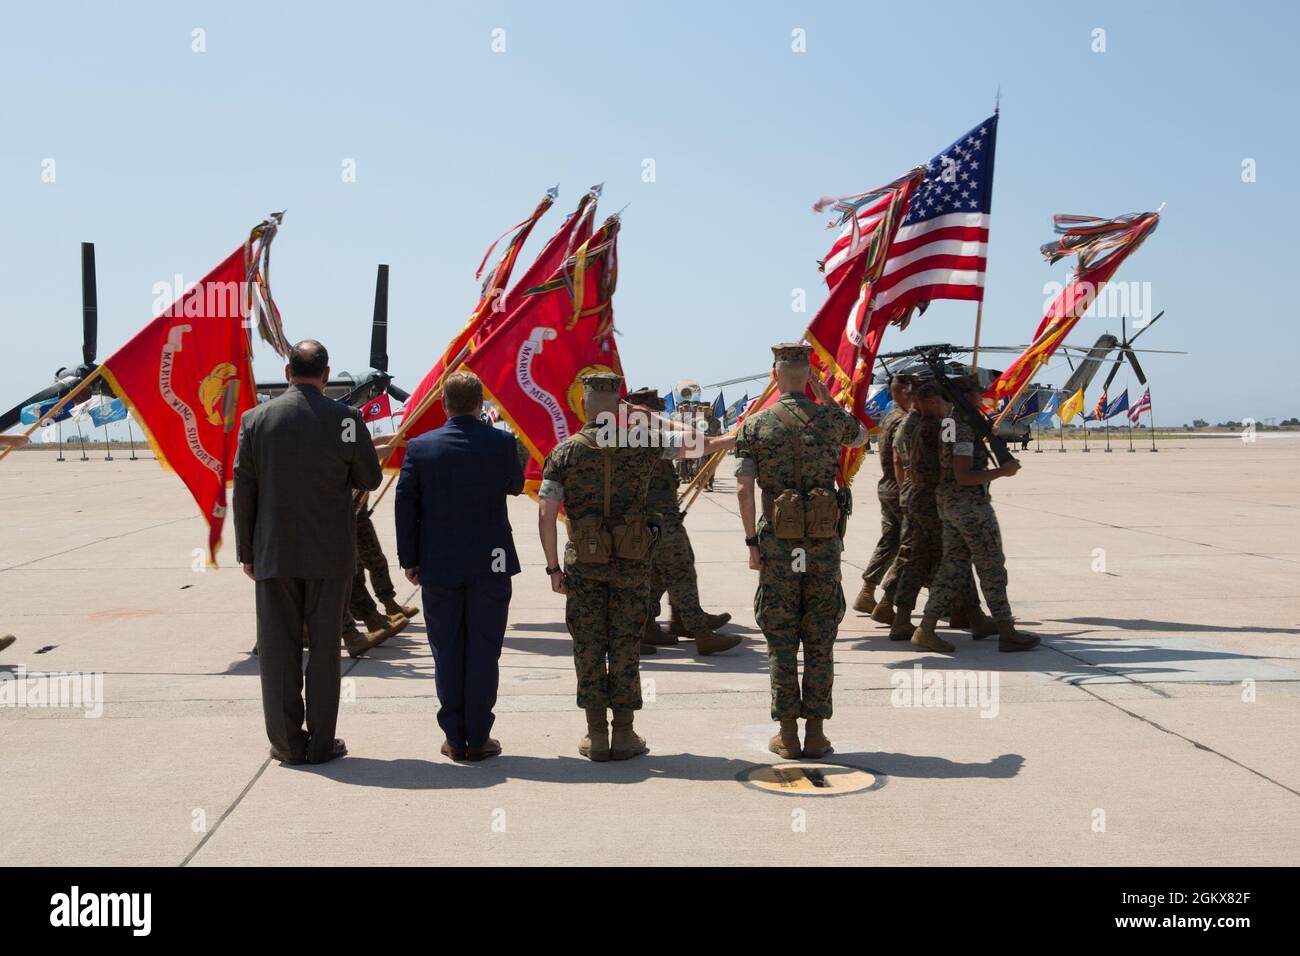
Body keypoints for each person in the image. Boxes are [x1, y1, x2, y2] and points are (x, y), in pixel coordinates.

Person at [538, 372, 732, 762]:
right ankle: (624, 734)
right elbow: (700, 444)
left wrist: (553, 568)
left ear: (585, 404)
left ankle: (596, 735)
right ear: (620, 406)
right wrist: (737, 434)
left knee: (590, 646)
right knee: (626, 645)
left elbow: (546, 514)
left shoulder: (565, 453)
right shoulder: (644, 444)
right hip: (631, 563)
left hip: (585, 566)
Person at [234, 340, 382, 765]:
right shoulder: (347, 420)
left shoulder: (255, 419)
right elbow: (370, 478)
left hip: (273, 553)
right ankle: (321, 743)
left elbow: (244, 489)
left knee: (278, 649)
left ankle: (286, 743)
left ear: (286, 373)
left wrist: (248, 552)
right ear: (326, 373)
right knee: (323, 651)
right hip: (330, 555)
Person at [734, 344, 867, 760]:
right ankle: (816, 733)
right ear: (809, 376)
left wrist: (753, 545)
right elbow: (862, 435)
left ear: (775, 376)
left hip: (778, 544)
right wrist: (826, 399)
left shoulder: (755, 426)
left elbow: (743, 488)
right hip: (823, 545)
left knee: (781, 637)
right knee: (820, 636)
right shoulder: (831, 421)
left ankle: (787, 733)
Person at [395, 371, 524, 762]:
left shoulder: (420, 448)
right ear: (480, 403)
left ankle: (455, 737)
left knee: (447, 650)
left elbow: (406, 506)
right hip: (491, 562)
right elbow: (516, 485)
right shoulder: (501, 442)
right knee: (484, 650)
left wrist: (410, 559)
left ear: (444, 404)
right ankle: (479, 735)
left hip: (439, 564)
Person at [911, 376, 1040, 653]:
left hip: (949, 504)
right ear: (964, 396)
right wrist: (1002, 472)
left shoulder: (951, 423)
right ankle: (1007, 631)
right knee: (992, 566)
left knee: (952, 568)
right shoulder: (962, 427)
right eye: (976, 394)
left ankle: (926, 629)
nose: (981, 397)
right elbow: (964, 475)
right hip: (969, 506)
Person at [625, 387, 739, 657]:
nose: (658, 414)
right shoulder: (643, 438)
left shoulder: (626, 436)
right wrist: (728, 440)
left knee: (657, 573)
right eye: (653, 410)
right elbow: (699, 443)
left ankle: (653, 625)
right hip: (658, 521)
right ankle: (700, 632)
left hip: (653, 519)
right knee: (680, 570)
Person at [853, 373, 913, 616]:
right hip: (900, 488)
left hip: (887, 487)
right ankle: (889, 598)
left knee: (890, 542)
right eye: (911, 392)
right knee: (912, 545)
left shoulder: (890, 418)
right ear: (900, 393)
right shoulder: (904, 421)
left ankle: (867, 592)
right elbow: (903, 460)